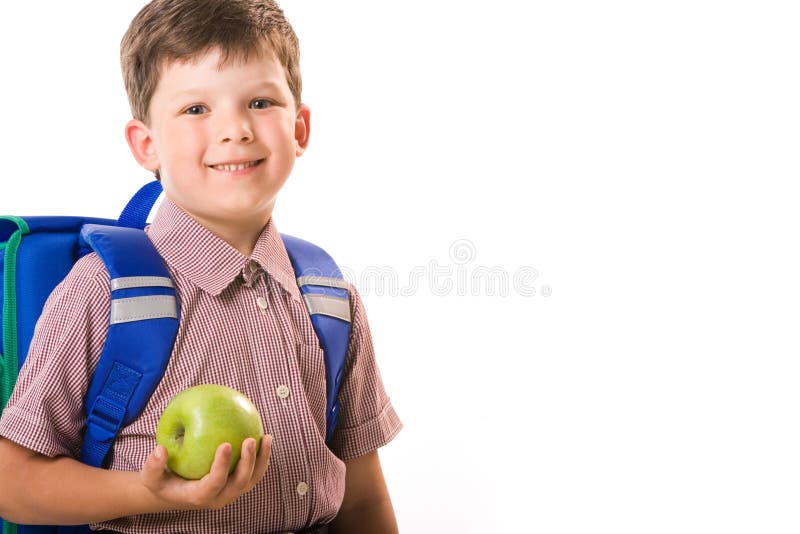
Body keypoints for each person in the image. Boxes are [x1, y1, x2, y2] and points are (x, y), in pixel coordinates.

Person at [0, 1, 402, 532]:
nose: (235, 129)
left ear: (299, 128)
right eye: (196, 109)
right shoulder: (103, 293)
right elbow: (12, 480)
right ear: (146, 144)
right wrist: (151, 493)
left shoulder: (330, 300)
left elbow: (364, 500)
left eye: (260, 101)